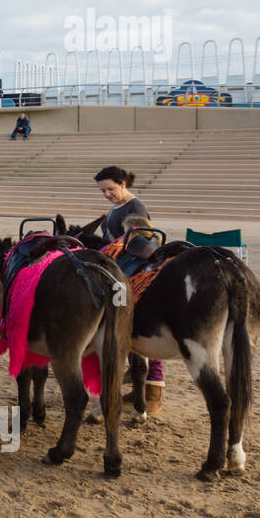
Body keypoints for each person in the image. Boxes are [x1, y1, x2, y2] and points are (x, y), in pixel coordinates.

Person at [94, 164, 164, 412]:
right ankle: (137, 388)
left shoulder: (136, 207)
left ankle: (153, 392)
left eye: (111, 189)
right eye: (103, 191)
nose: (107, 194)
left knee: (142, 325)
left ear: (123, 184)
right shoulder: (117, 208)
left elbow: (146, 242)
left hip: (136, 270)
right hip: (121, 266)